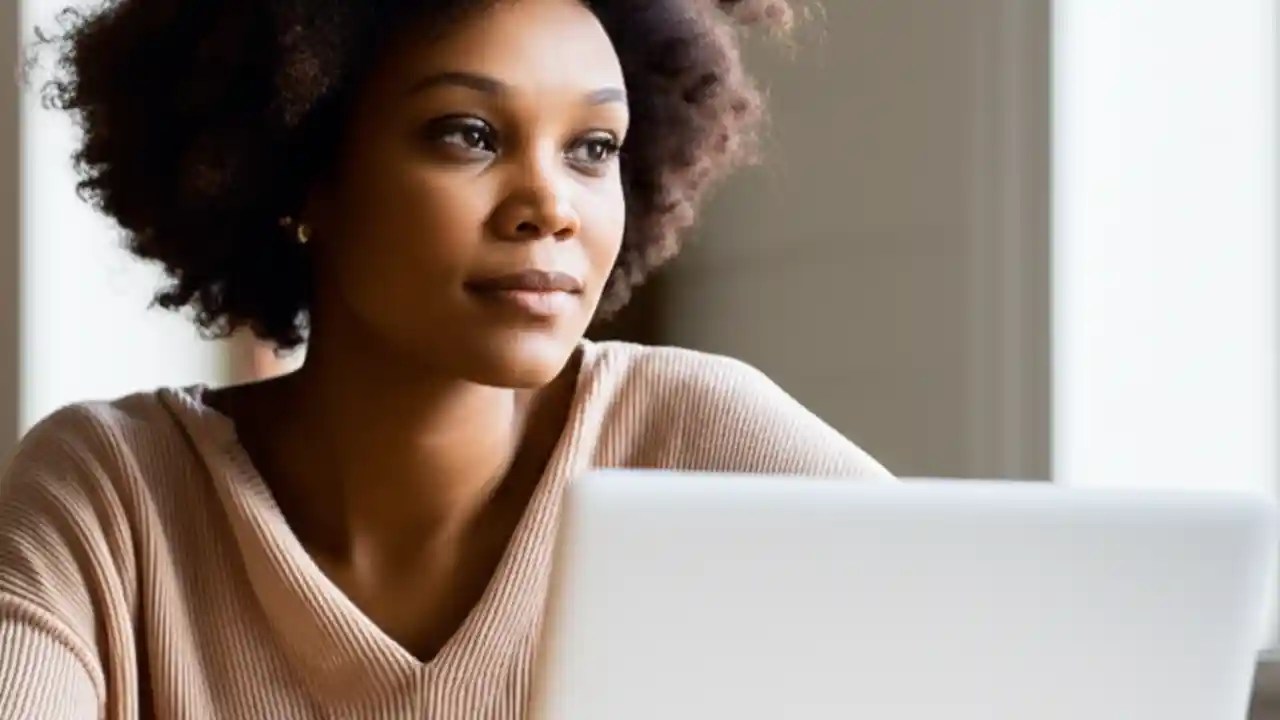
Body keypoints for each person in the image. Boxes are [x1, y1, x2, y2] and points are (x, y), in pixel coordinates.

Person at [0, 0, 893, 716]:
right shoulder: (113, 497)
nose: (551, 206)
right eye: (468, 133)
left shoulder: (695, 439)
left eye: (593, 149)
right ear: (304, 170)